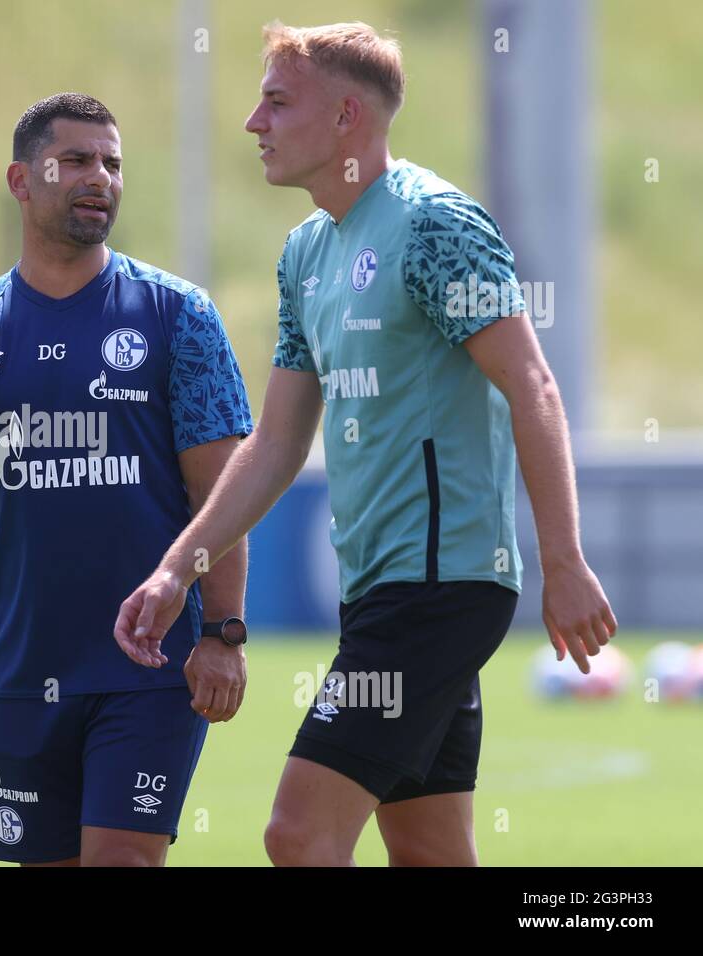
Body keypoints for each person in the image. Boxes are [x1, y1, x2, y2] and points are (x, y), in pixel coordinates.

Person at [114, 22, 617, 866]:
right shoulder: (305, 253)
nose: (252, 122)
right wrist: (180, 568)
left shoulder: (434, 226)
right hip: (382, 591)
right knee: (428, 847)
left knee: (299, 834)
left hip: (441, 587)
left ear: (347, 116)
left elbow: (531, 383)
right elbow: (276, 443)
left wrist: (563, 559)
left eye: (277, 101)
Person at [0, 93, 254, 866]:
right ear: (20, 179)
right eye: (74, 160)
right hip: (21, 669)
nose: (98, 178)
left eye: (111, 163)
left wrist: (221, 631)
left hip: (147, 669)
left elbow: (225, 494)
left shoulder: (177, 315)